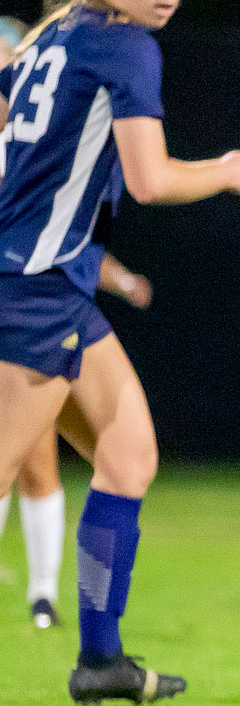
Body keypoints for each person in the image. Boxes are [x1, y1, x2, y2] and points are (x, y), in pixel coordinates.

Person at [0, 0, 240, 704]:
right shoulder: (125, 46)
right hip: (32, 288)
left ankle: (101, 659)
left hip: (59, 286)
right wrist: (224, 166)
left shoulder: (49, 36)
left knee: (128, 455)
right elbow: (150, 179)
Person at [1, 253, 153, 628]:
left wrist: (123, 281)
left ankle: (46, 596)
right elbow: (147, 189)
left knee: (47, 462)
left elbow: (75, 244)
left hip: (51, 317)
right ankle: (99, 652)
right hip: (30, 313)